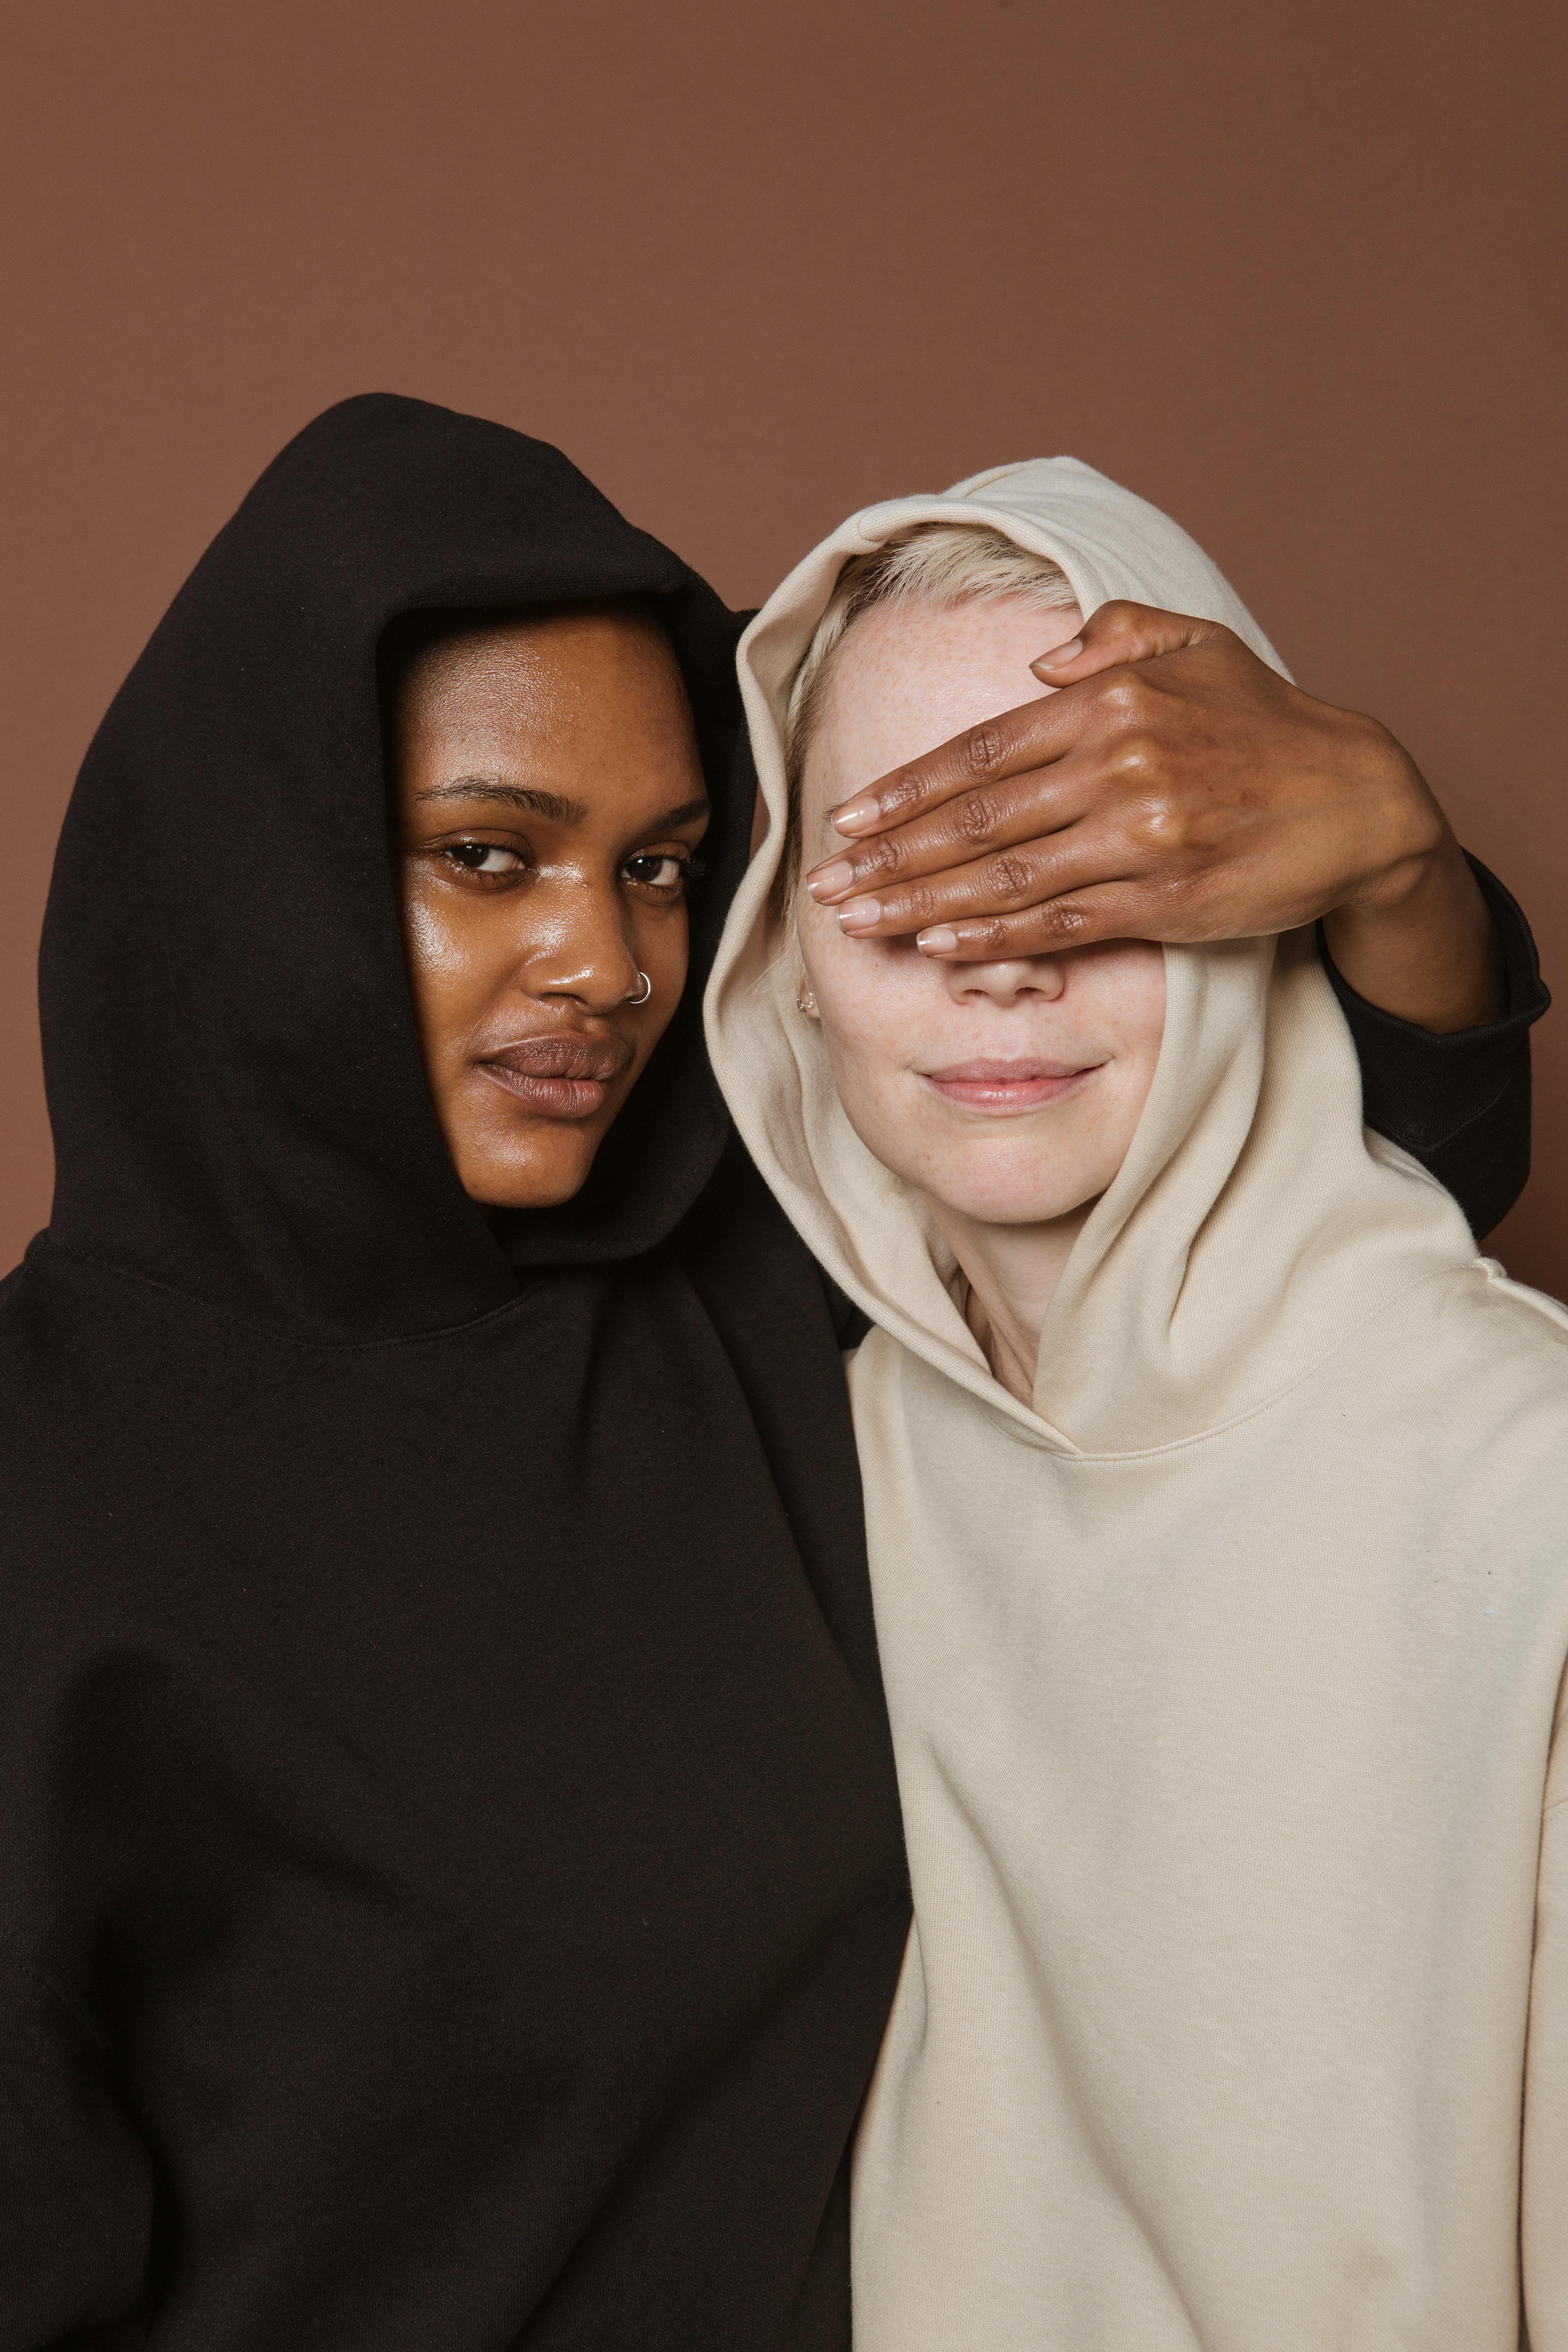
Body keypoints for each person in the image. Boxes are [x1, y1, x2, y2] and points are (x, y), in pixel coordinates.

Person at [0, 394, 1544, 2348]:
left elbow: (1318, 1205)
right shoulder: (46, 1498)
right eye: (489, 857)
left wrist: (1389, 849)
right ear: (256, 868)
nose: (605, 963)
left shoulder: (748, 1280)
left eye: (660, 867)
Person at [705, 457, 1566, 2348]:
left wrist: (1409, 863)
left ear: (1257, 876)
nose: (999, 946)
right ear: (780, 962)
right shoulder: (825, 1451)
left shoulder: (1527, 1496)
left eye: (1087, 851)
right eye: (895, 871)